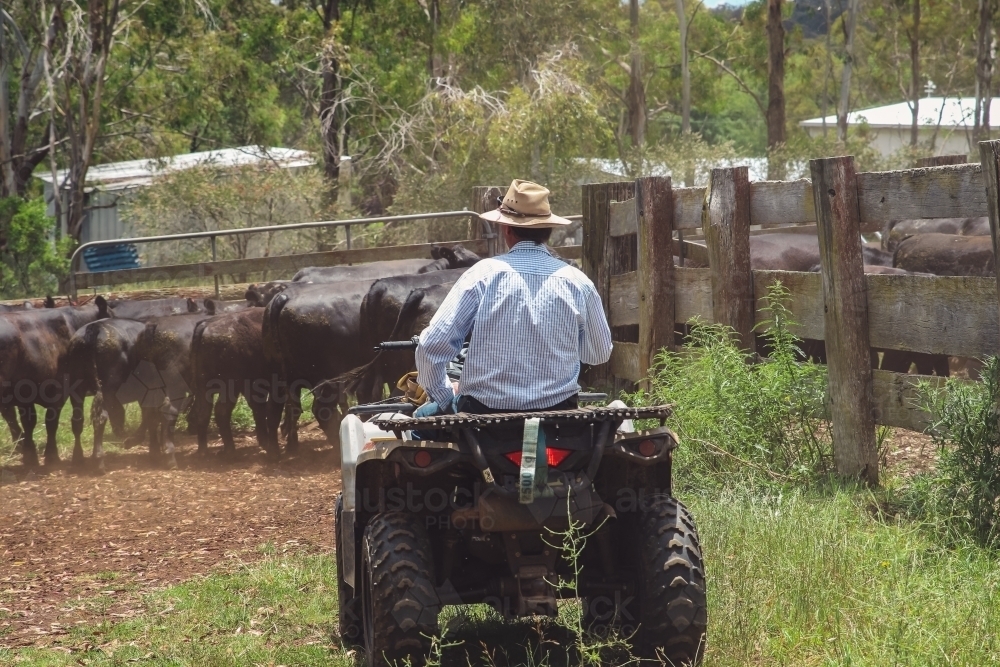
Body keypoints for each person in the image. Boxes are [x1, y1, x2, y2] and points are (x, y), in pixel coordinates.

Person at [414, 179, 613, 418]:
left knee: (419, 423)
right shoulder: (578, 282)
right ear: (548, 230)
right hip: (559, 417)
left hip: (482, 419)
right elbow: (599, 353)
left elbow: (430, 346)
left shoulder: (481, 275)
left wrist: (446, 396)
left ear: (506, 228)